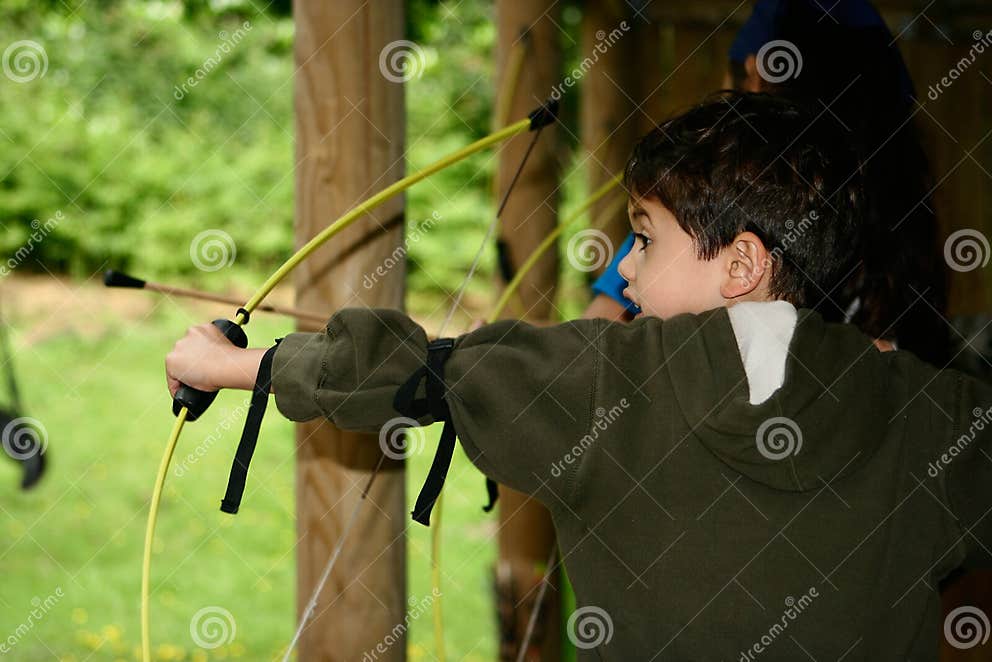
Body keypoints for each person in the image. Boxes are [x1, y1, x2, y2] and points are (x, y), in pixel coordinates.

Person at [166, 93, 992, 660]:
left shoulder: (607, 382)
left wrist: (227, 363)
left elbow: (407, 373)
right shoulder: (928, 409)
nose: (623, 269)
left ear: (741, 262)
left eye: (645, 238)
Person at [586, 0, 950, 367]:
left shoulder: (687, 215)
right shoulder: (902, 221)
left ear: (754, 73)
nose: (630, 264)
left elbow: (594, 339)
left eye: (645, 242)